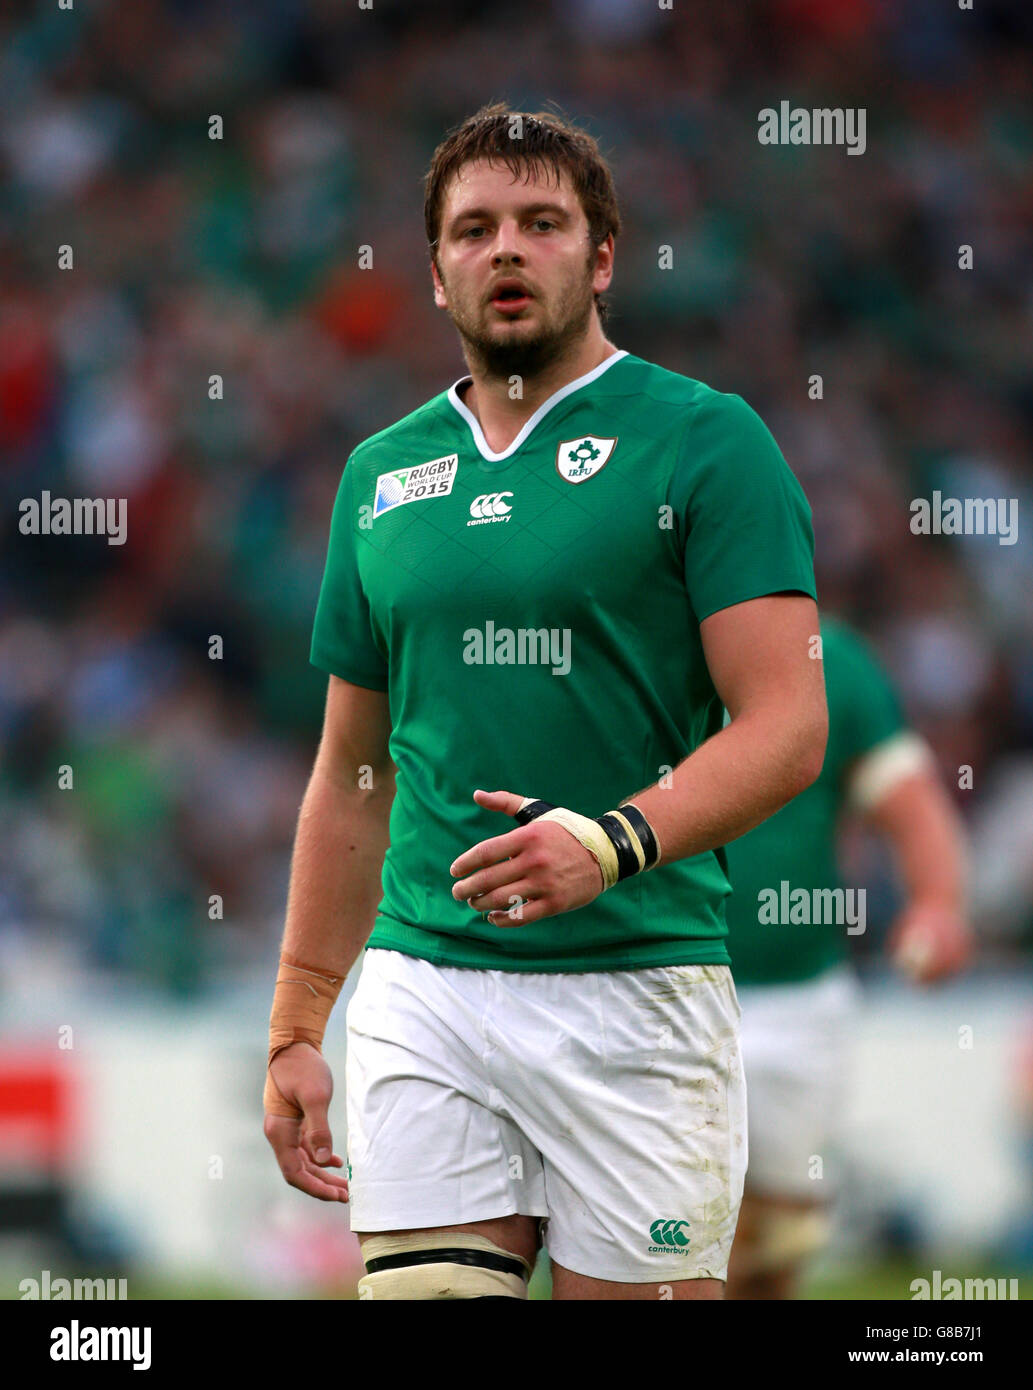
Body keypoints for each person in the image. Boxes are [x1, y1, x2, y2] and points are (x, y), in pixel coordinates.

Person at [262, 102, 828, 1301]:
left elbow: (786, 728)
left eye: (541, 223)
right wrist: (298, 1020)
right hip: (427, 984)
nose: (505, 249)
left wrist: (609, 842)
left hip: (636, 991)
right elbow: (354, 771)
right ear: (434, 274)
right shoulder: (379, 475)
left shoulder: (707, 443)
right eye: (473, 230)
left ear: (602, 255)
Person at [724, 615, 973, 1300]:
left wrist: (937, 904)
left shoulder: (829, 660)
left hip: (795, 1001)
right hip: (649, 992)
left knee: (774, 1247)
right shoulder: (620, 638)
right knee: (663, 1238)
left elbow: (911, 805)